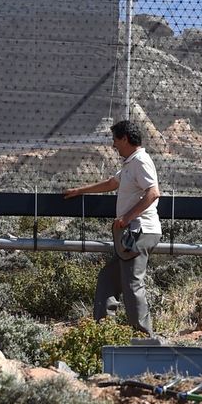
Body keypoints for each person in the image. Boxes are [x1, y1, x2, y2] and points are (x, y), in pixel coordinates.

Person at [62, 119, 161, 335]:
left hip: (139, 231)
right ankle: (104, 330)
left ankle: (144, 336)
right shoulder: (130, 164)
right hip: (132, 233)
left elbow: (153, 193)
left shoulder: (141, 161)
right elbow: (110, 183)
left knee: (133, 283)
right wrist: (80, 190)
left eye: (115, 140)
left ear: (125, 139)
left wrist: (126, 218)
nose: (113, 145)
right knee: (108, 278)